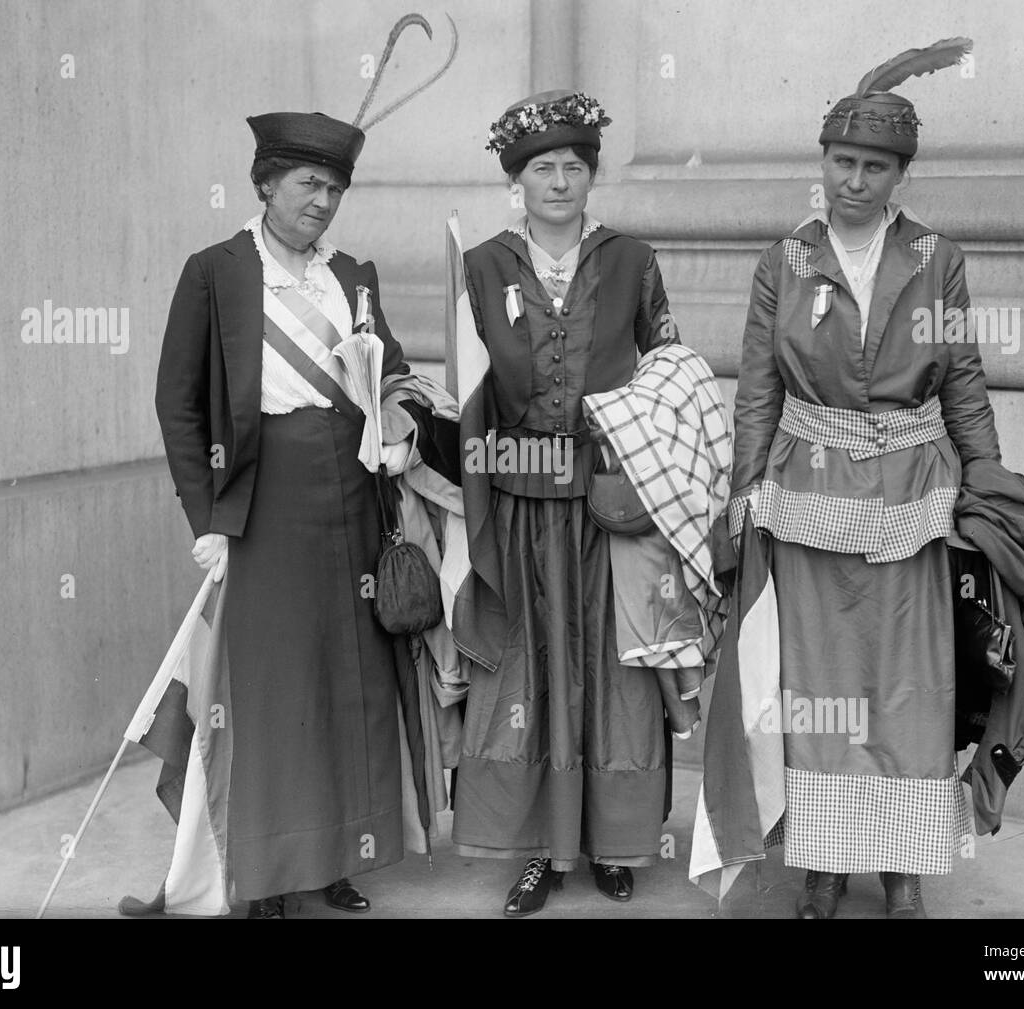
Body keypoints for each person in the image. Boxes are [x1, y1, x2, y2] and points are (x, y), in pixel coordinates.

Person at [729, 39, 1000, 918]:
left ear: (899, 175)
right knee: (816, 691)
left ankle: (902, 869)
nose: (854, 180)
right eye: (842, 161)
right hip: (805, 493)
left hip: (914, 498)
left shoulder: (936, 259)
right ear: (823, 165)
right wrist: (742, 489)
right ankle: (821, 865)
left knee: (909, 688)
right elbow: (759, 385)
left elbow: (960, 376)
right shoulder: (784, 261)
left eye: (873, 166)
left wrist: (986, 484)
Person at [155, 110, 416, 918]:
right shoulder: (216, 272)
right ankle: (267, 873)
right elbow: (179, 405)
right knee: (271, 689)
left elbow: (394, 374)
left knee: (349, 682)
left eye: (335, 188)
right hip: (263, 499)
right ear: (265, 183)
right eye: (309, 183)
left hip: (351, 493)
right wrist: (207, 520)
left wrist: (401, 419)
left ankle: (336, 855)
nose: (323, 201)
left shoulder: (353, 277)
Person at [450, 90, 680, 916]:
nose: (558, 181)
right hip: (519, 507)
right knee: (530, 671)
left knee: (615, 671)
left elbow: (670, 367)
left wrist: (658, 467)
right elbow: (465, 391)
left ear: (593, 175)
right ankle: (539, 853)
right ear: (517, 179)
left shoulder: (633, 260)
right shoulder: (479, 265)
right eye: (541, 168)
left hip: (610, 505)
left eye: (572, 167)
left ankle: (614, 845)